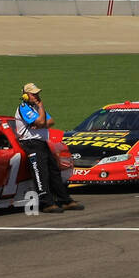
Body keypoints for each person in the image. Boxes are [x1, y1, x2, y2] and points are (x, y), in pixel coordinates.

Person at [15, 83, 83, 212]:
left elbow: (51, 121)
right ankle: (46, 203)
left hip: (41, 143)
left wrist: (41, 119)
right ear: (25, 95)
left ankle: (64, 200)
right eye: (33, 94)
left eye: (37, 93)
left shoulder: (36, 107)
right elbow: (41, 122)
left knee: (54, 171)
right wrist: (41, 116)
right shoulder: (24, 107)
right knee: (41, 173)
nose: (37, 96)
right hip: (31, 143)